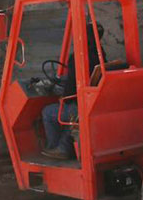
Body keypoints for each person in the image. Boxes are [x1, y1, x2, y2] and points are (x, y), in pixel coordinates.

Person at [40, 24, 102, 160]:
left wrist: (64, 98)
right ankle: (66, 146)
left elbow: (72, 84)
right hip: (93, 102)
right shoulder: (100, 55)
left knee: (48, 112)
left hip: (80, 105)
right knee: (71, 112)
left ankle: (56, 148)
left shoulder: (79, 57)